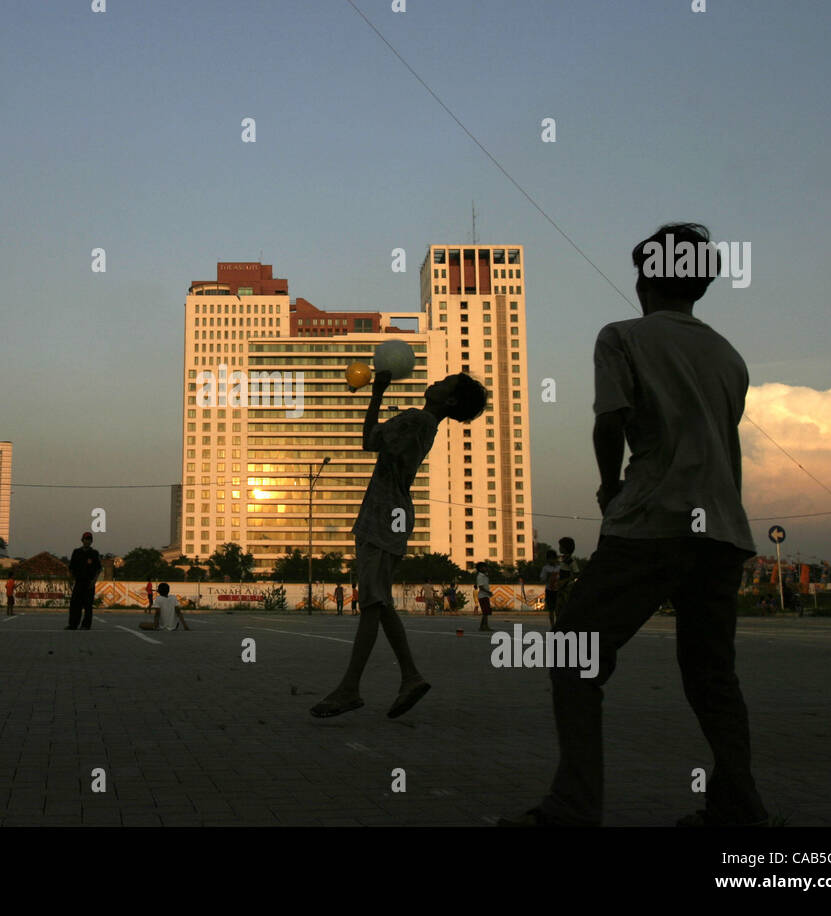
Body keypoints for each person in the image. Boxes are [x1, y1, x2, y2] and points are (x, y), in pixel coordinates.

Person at [501, 223, 768, 828]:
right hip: (723, 531)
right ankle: (740, 812)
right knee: (712, 677)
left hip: (652, 520)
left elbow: (611, 421)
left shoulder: (621, 337)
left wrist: (608, 485)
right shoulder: (730, 356)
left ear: (646, 278)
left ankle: (572, 808)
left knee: (575, 655)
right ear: (700, 284)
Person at [311, 369, 487, 719]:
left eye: (444, 383)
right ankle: (410, 677)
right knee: (380, 601)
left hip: (384, 513)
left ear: (449, 400)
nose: (435, 382)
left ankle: (350, 688)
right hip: (393, 512)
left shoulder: (416, 419)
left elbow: (369, 440)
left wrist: (377, 392)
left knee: (373, 603)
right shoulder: (426, 425)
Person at [67, 532, 102, 630]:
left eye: (89, 539)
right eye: (86, 539)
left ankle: (86, 625)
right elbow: (71, 568)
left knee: (88, 605)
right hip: (78, 582)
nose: (87, 541)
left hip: (89, 583)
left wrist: (94, 581)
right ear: (82, 540)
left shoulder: (94, 553)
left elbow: (99, 569)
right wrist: (71, 579)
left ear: (91, 541)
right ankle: (73, 624)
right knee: (75, 604)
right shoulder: (76, 552)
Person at [540, 550, 561, 627]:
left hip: (558, 590)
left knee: (558, 609)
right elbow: (542, 579)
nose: (552, 560)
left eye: (553, 558)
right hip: (549, 590)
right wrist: (548, 577)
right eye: (550, 558)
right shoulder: (545, 568)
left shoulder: (559, 567)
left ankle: (558, 624)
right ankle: (552, 625)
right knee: (551, 609)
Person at [475, 563, 493, 631]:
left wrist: (488, 570)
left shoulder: (484, 575)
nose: (485, 568)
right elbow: (481, 587)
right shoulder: (480, 576)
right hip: (482, 596)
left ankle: (483, 626)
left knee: (486, 612)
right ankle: (484, 626)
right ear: (480, 568)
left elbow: (490, 574)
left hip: (485, 595)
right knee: (485, 612)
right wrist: (488, 592)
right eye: (484, 567)